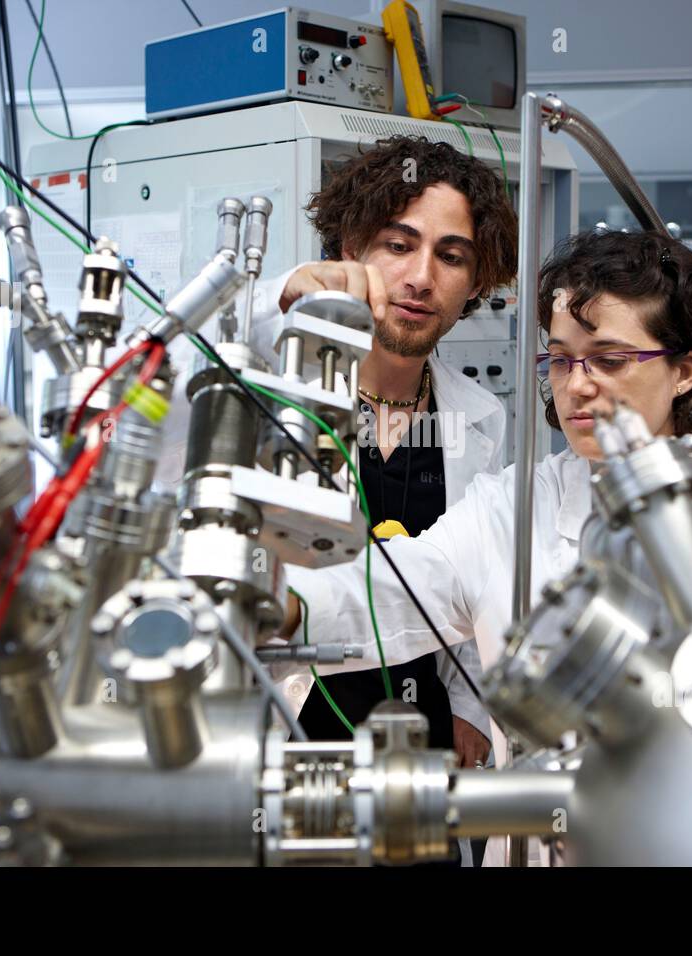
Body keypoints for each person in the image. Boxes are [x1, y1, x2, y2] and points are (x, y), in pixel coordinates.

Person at [271, 228, 692, 860]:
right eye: (560, 357)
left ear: (683, 371)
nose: (576, 385)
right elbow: (400, 585)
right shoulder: (516, 504)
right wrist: (283, 606)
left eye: (608, 359)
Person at [163, 136, 518, 774]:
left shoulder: (478, 417)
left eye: (451, 256)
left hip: (418, 734)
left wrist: (468, 703)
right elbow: (150, 390)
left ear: (476, 283)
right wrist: (279, 298)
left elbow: (472, 575)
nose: (419, 277)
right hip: (287, 719)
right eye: (398, 244)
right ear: (351, 251)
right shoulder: (270, 382)